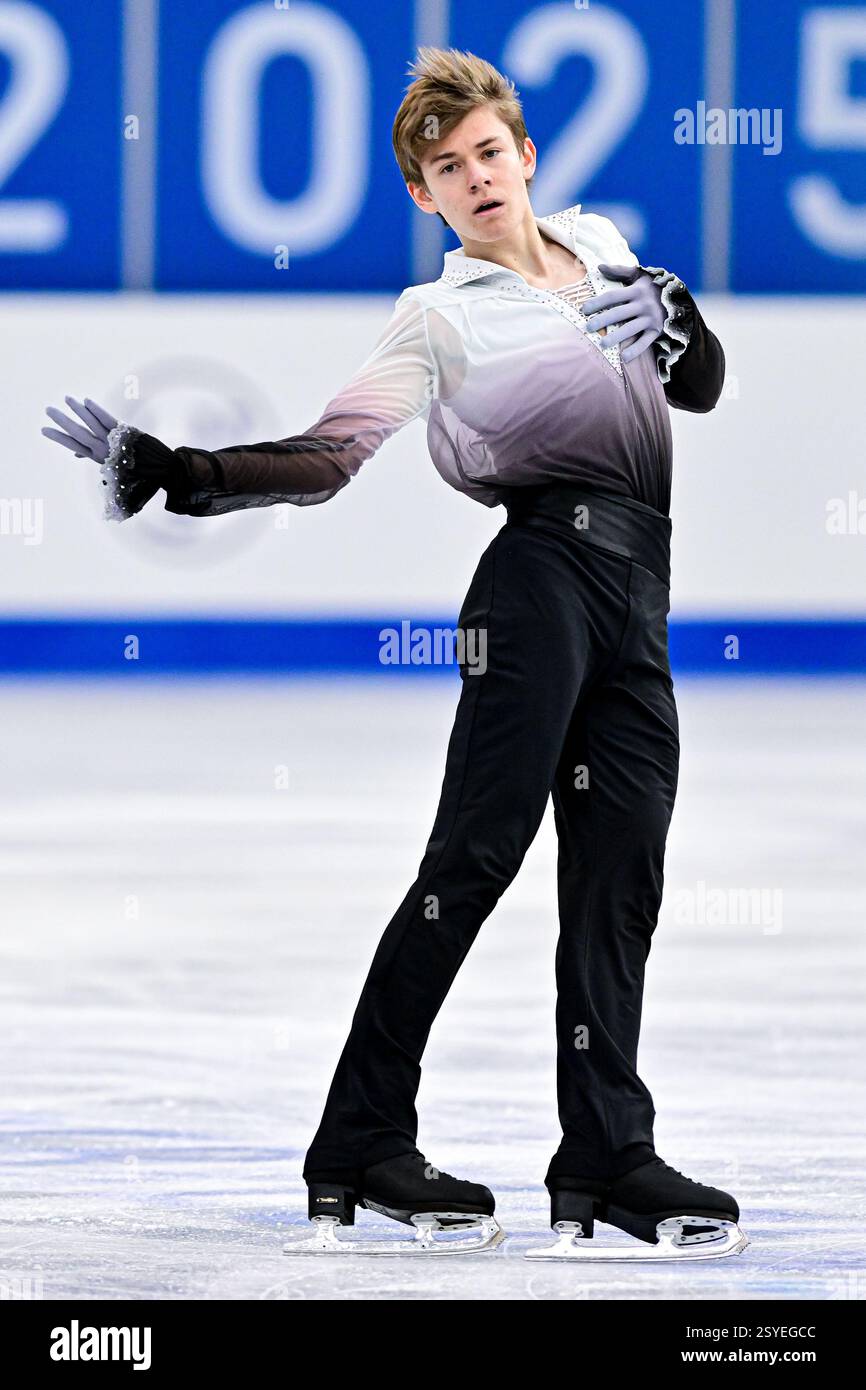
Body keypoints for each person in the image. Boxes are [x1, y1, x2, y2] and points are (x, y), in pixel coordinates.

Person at [42, 47, 748, 1260]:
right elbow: (326, 459)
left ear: (524, 157)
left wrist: (678, 314)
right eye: (443, 169)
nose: (472, 178)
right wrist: (182, 473)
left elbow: (700, 391)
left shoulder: (607, 246)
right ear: (423, 197)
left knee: (620, 872)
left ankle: (605, 1154)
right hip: (536, 587)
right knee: (471, 859)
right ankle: (361, 1138)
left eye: (485, 153)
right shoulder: (439, 316)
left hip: (641, 594)